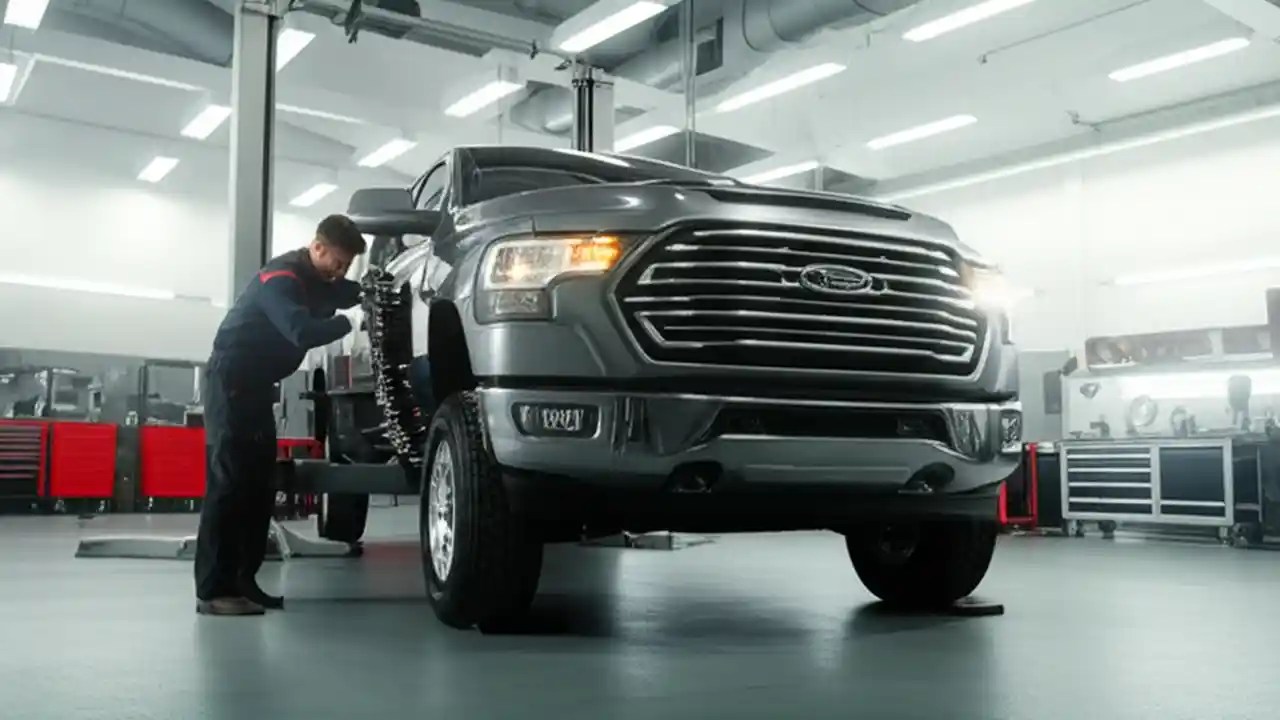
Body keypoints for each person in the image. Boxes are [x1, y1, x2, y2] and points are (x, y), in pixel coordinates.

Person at [195, 215, 366, 616]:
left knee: (258, 487)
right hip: (230, 383)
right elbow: (300, 331)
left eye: (346, 266)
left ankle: (243, 582)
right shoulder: (282, 278)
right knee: (230, 485)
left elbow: (344, 291)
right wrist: (350, 322)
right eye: (336, 262)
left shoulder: (319, 280)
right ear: (317, 247)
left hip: (255, 389)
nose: (339, 272)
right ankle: (212, 591)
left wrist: (370, 292)